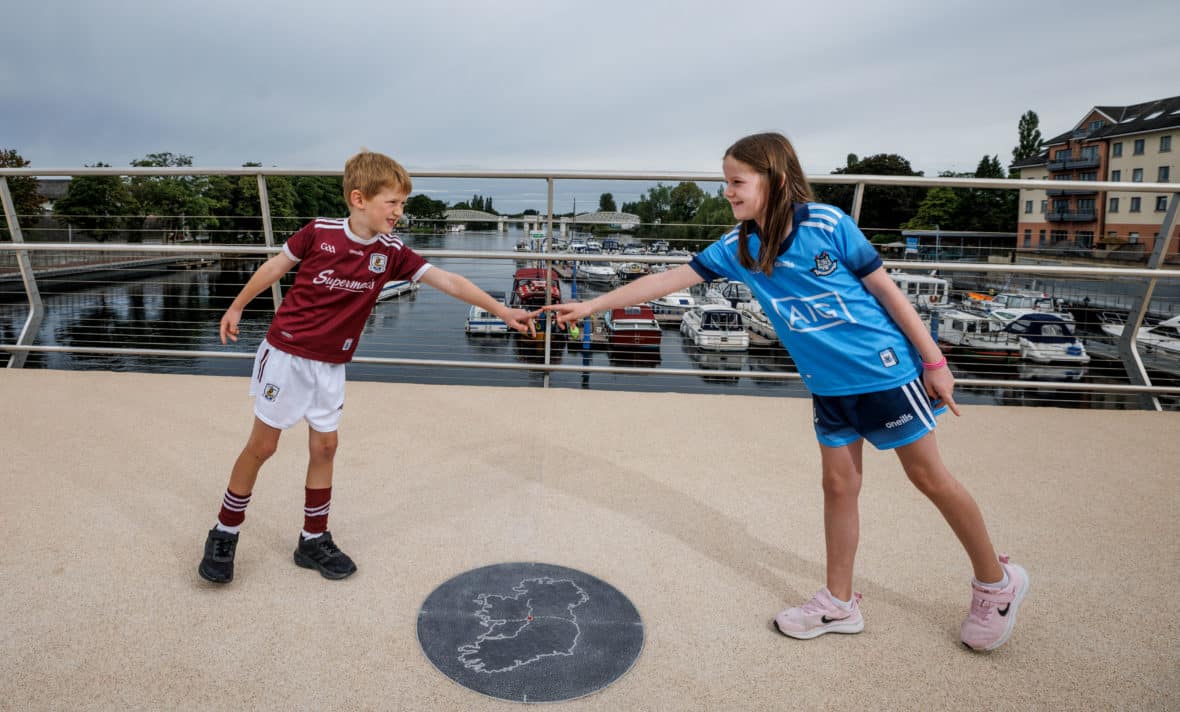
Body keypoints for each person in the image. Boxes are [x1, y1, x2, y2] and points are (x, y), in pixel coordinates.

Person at [545, 133, 1028, 651]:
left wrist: (934, 362)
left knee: (928, 477)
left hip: (884, 373)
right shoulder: (739, 247)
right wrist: (590, 307)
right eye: (725, 182)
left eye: (737, 181)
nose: (727, 192)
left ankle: (996, 582)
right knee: (838, 487)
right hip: (829, 387)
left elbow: (889, 294)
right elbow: (668, 280)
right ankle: (839, 602)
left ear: (774, 180)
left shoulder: (827, 225)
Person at [199, 150, 537, 584]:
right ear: (359, 199)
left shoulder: (391, 252)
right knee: (263, 447)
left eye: (403, 204)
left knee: (325, 448)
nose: (399, 212)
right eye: (392, 202)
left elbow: (449, 280)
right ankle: (225, 532)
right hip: (287, 356)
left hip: (330, 365)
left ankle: (313, 539)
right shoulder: (319, 233)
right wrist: (237, 306)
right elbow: (275, 267)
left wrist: (502, 310)